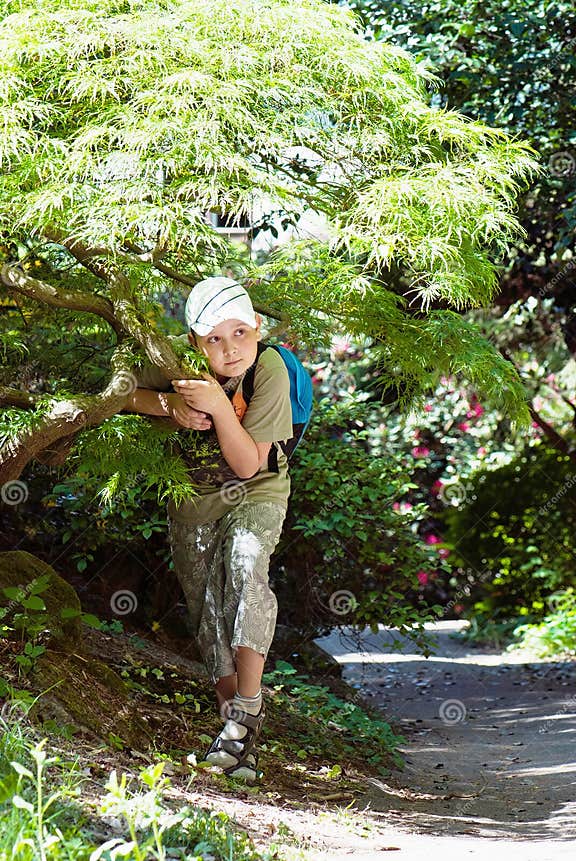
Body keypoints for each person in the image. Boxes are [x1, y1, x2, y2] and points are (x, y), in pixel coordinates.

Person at [125, 276, 293, 781]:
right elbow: (124, 394)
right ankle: (238, 741)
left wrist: (220, 408)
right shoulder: (174, 363)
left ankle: (247, 707)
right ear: (196, 341)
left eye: (240, 332)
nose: (230, 348)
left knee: (246, 569)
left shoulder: (269, 370)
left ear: (257, 328)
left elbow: (246, 466)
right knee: (207, 614)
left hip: (257, 491)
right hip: (191, 503)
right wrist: (166, 406)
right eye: (214, 339)